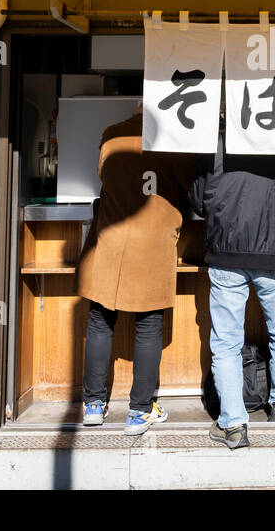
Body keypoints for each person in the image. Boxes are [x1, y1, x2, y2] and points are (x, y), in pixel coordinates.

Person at [189, 129, 275, 449]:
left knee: (226, 342)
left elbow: (199, 197)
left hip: (226, 249)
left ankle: (232, 424)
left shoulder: (218, 141)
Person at [76, 107, 196, 435]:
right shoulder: (180, 143)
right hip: (154, 241)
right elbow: (188, 189)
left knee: (100, 321)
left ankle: (93, 405)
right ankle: (139, 411)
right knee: (148, 327)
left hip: (111, 237)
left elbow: (103, 173)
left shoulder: (112, 134)